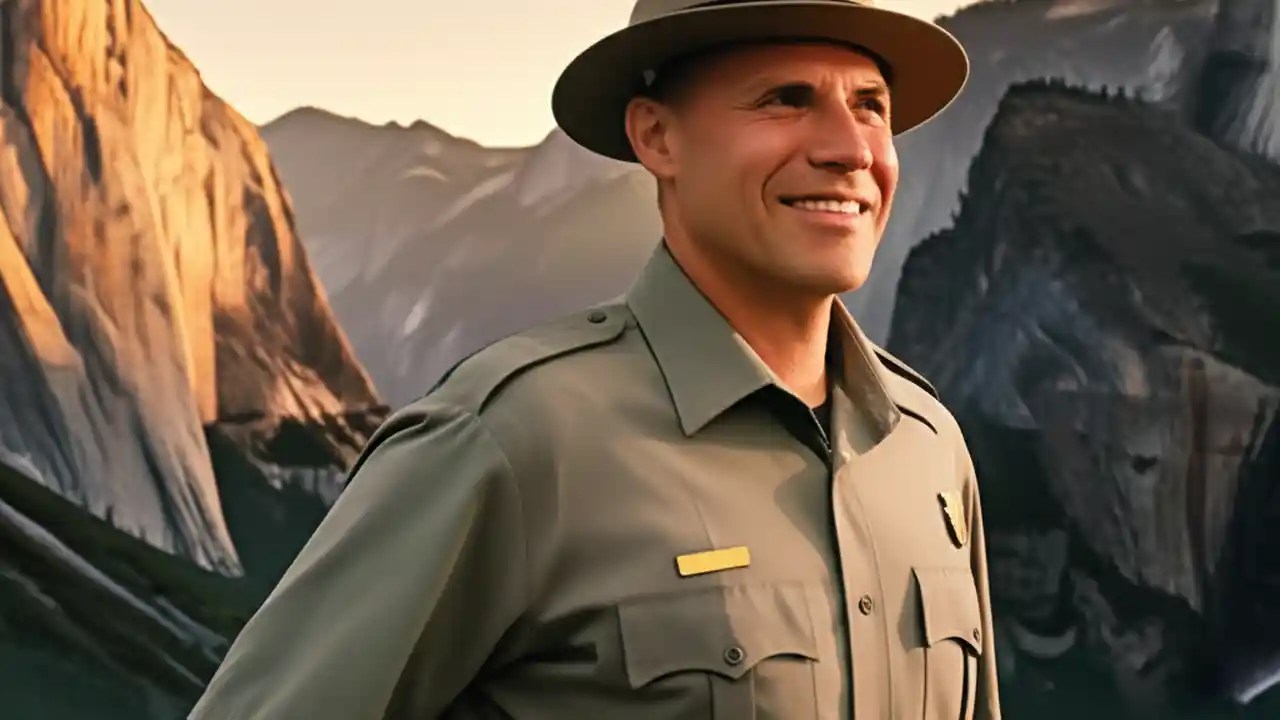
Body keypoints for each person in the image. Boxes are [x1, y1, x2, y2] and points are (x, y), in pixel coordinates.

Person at [188, 0, 1001, 718]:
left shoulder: (928, 450)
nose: (849, 148)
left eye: (870, 106)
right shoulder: (515, 439)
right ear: (656, 136)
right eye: (785, 99)